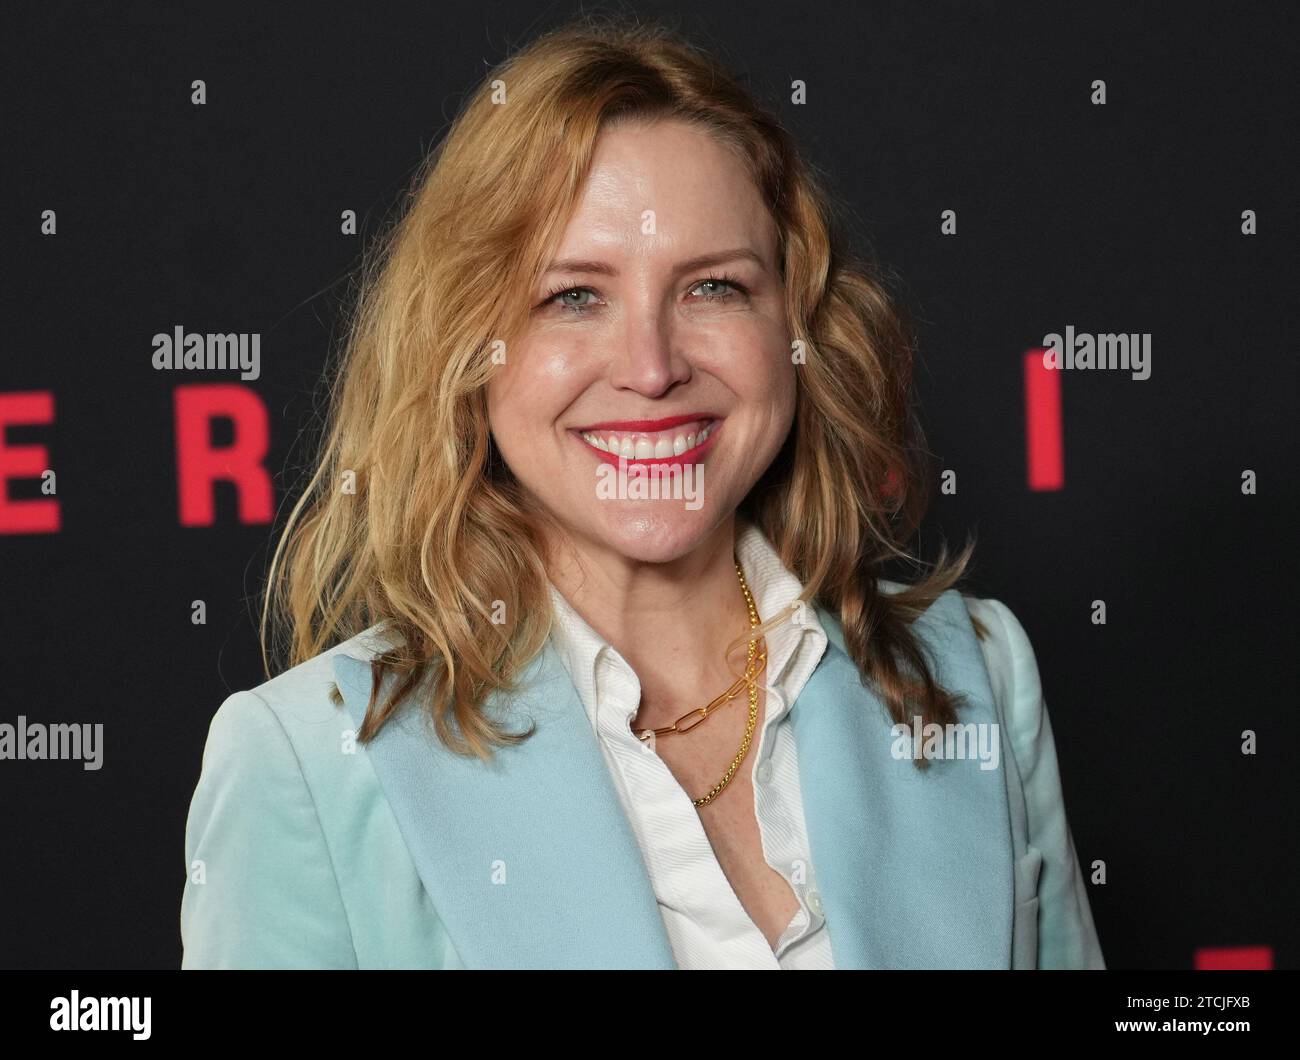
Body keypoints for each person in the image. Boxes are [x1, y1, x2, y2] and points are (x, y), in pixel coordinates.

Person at [180, 17, 1104, 970]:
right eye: (574, 296)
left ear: (797, 322)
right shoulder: (305, 763)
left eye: (712, 288)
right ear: (464, 346)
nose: (653, 368)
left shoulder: (979, 676)